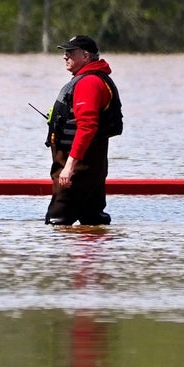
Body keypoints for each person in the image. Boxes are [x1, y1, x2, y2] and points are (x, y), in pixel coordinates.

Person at [45, 35, 122, 225]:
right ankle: (93, 253)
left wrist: (69, 167)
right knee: (92, 219)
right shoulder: (90, 79)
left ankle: (68, 255)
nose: (65, 56)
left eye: (70, 52)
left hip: (79, 166)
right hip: (90, 167)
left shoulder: (89, 83)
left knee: (57, 222)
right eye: (65, 52)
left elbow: (87, 127)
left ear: (86, 56)